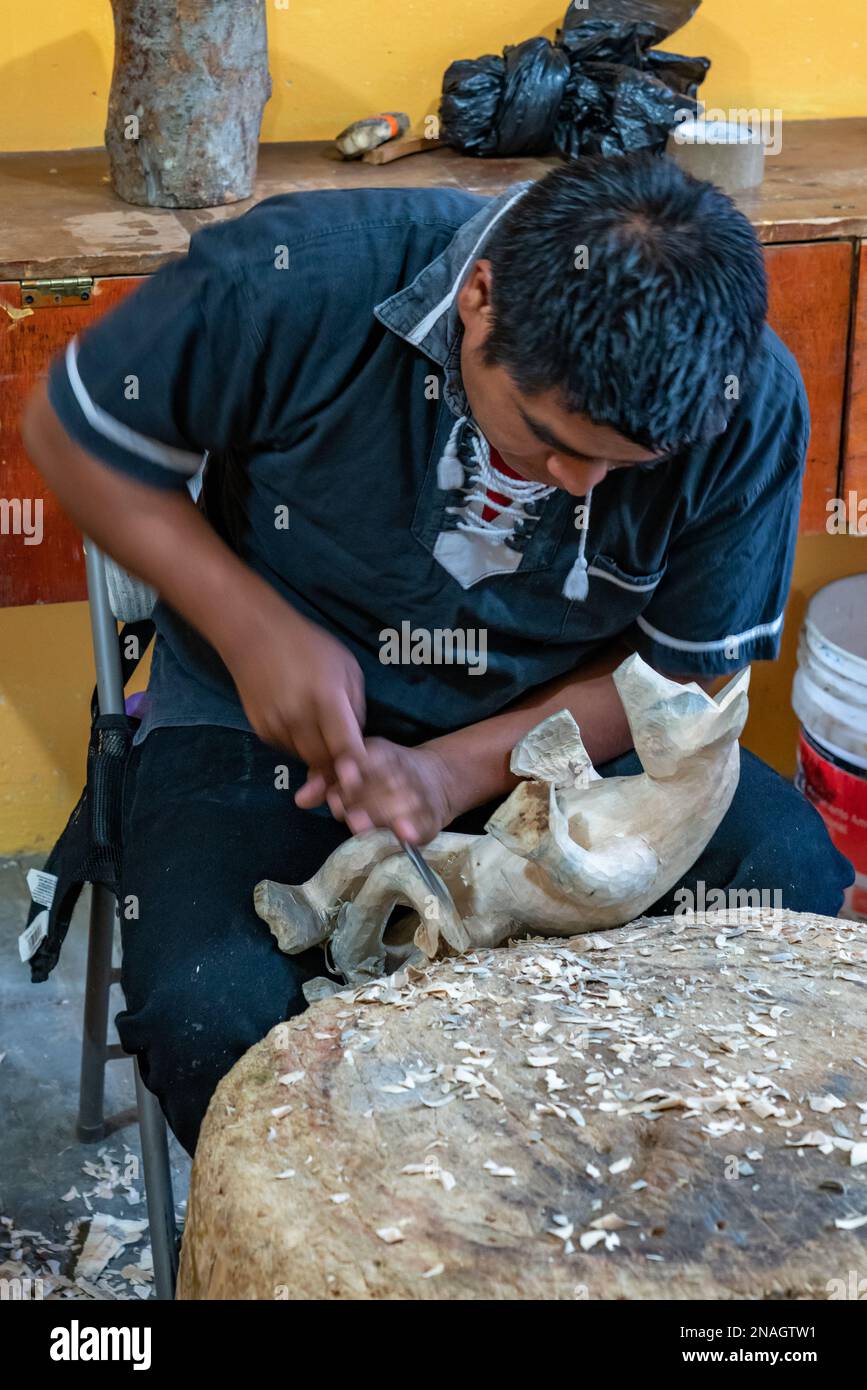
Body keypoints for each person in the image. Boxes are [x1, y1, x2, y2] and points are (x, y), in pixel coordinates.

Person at [23, 153, 852, 1155]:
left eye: (621, 465)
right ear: (479, 297)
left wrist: (455, 769)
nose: (580, 485)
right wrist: (253, 631)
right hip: (270, 718)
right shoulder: (298, 275)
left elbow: (685, 682)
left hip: (564, 725)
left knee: (787, 896)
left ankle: (594, 1207)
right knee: (213, 1018)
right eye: (548, 438)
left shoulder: (744, 397)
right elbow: (72, 427)